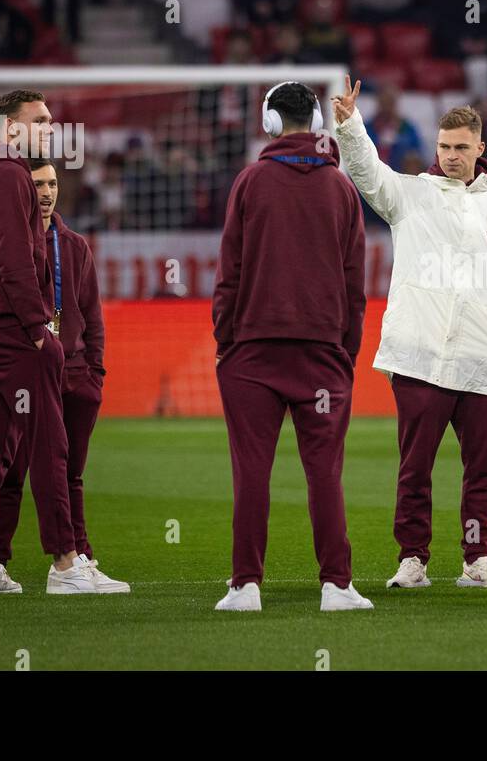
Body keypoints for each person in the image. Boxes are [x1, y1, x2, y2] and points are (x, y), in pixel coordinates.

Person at [333, 76, 487, 591]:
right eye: (444, 147)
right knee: (414, 469)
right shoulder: (411, 194)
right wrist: (351, 126)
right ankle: (412, 559)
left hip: (484, 359)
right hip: (419, 356)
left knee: (482, 472)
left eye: (461, 147)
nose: (452, 155)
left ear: (480, 148)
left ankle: (478, 558)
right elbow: (366, 173)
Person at [213, 82, 371, 613]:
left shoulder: (250, 182)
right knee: (325, 471)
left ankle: (245, 586)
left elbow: (229, 270)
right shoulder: (341, 189)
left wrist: (225, 340)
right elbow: (356, 283)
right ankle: (336, 585)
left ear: (271, 122)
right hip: (323, 353)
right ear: (316, 121)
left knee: (250, 471)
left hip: (253, 353)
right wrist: (345, 350)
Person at [0, 89, 96, 594]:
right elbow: (13, 261)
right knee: (49, 444)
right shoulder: (11, 175)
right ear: (10, 127)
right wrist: (39, 331)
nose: (50, 127)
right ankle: (65, 565)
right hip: (15, 331)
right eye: (40, 119)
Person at [0, 159, 127, 592]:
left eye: (52, 183)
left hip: (74, 373)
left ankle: (79, 556)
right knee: (12, 469)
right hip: (27, 373)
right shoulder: (10, 245)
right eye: (37, 184)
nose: (47, 192)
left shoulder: (74, 246)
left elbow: (92, 314)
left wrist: (95, 372)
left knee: (70, 473)